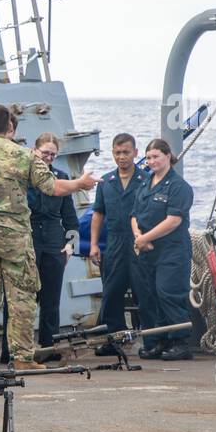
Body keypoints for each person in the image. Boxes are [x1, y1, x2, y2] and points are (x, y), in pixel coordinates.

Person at [0, 105, 96, 370]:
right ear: (10, 129)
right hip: (16, 241)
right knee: (22, 300)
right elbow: (52, 187)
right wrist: (79, 184)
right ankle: (22, 358)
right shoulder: (23, 155)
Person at [131, 138, 195, 360]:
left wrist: (145, 238)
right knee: (153, 296)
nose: (151, 161)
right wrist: (139, 237)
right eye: (148, 157)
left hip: (172, 250)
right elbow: (134, 215)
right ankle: (162, 340)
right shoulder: (144, 184)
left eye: (156, 156)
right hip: (148, 251)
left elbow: (173, 221)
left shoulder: (179, 187)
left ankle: (180, 342)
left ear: (168, 156)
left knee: (169, 293)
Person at [89, 133, 147, 350]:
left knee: (144, 294)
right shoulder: (106, 182)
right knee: (112, 294)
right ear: (113, 153)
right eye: (118, 152)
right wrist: (94, 245)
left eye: (126, 152)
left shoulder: (146, 181)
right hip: (114, 246)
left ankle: (150, 341)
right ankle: (114, 340)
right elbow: (98, 214)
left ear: (135, 153)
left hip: (138, 247)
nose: (122, 157)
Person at [27, 132, 80, 349]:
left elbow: (71, 221)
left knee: (51, 300)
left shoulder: (61, 178)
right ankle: (12, 350)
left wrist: (70, 246)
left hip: (53, 243)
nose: (49, 157)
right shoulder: (23, 177)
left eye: (53, 154)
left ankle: (49, 346)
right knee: (22, 301)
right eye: (45, 153)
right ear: (34, 151)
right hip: (27, 240)